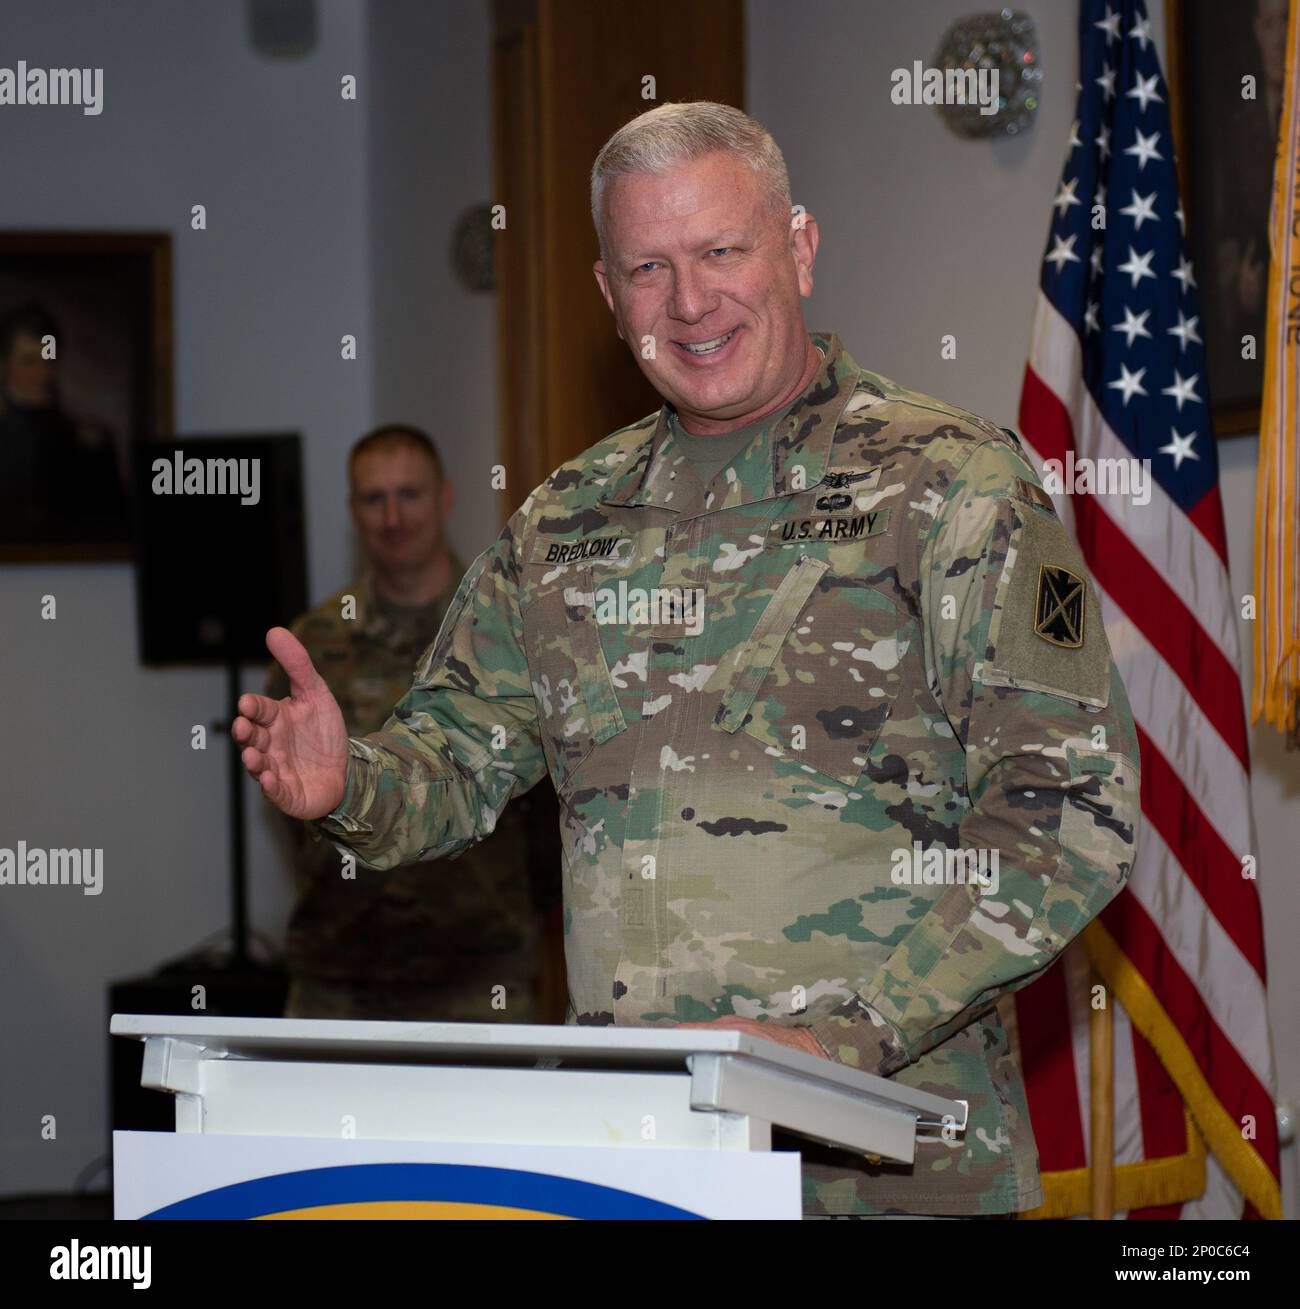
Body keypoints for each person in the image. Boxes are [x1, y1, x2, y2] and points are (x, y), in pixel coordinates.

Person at [233, 103, 1141, 1217]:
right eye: (648, 268)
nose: (691, 301)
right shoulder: (563, 523)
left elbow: (1068, 810)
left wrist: (831, 1040)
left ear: (797, 247)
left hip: (890, 1167)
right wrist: (349, 784)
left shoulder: (949, 485)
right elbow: (461, 757)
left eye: (722, 251)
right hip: (637, 1159)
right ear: (610, 297)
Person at [266, 424, 560, 1022]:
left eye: (410, 494)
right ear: (353, 511)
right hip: (341, 973)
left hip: (479, 973)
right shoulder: (314, 643)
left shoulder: (501, 626)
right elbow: (290, 800)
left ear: (446, 498)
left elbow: (550, 798)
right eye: (374, 499)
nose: (393, 517)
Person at [0, 301, 129, 544]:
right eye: (29, 361)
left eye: (48, 360)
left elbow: (110, 527)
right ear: (6, 364)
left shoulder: (90, 441)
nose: (42, 372)